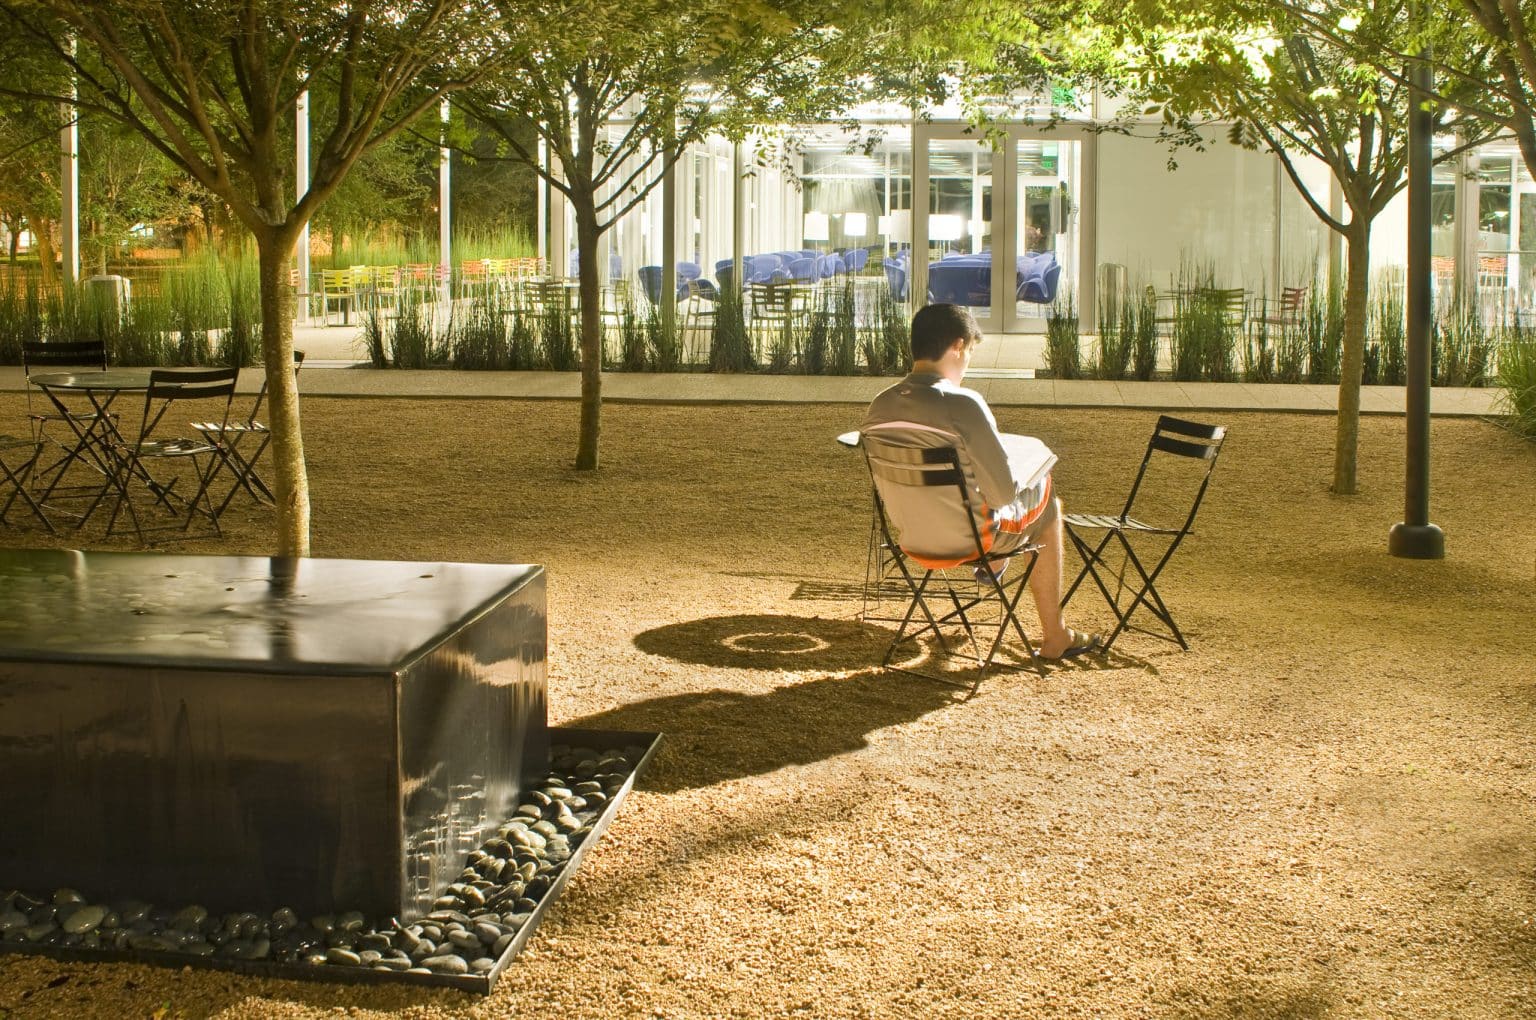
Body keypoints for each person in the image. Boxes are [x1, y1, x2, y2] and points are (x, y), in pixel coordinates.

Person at [861, 303, 1100, 660]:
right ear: (958, 346)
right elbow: (1002, 494)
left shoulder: (878, 406)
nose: (968, 362)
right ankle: (1055, 635)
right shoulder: (963, 404)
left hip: (913, 539)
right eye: (970, 352)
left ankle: (994, 566)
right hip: (971, 539)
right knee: (1047, 499)